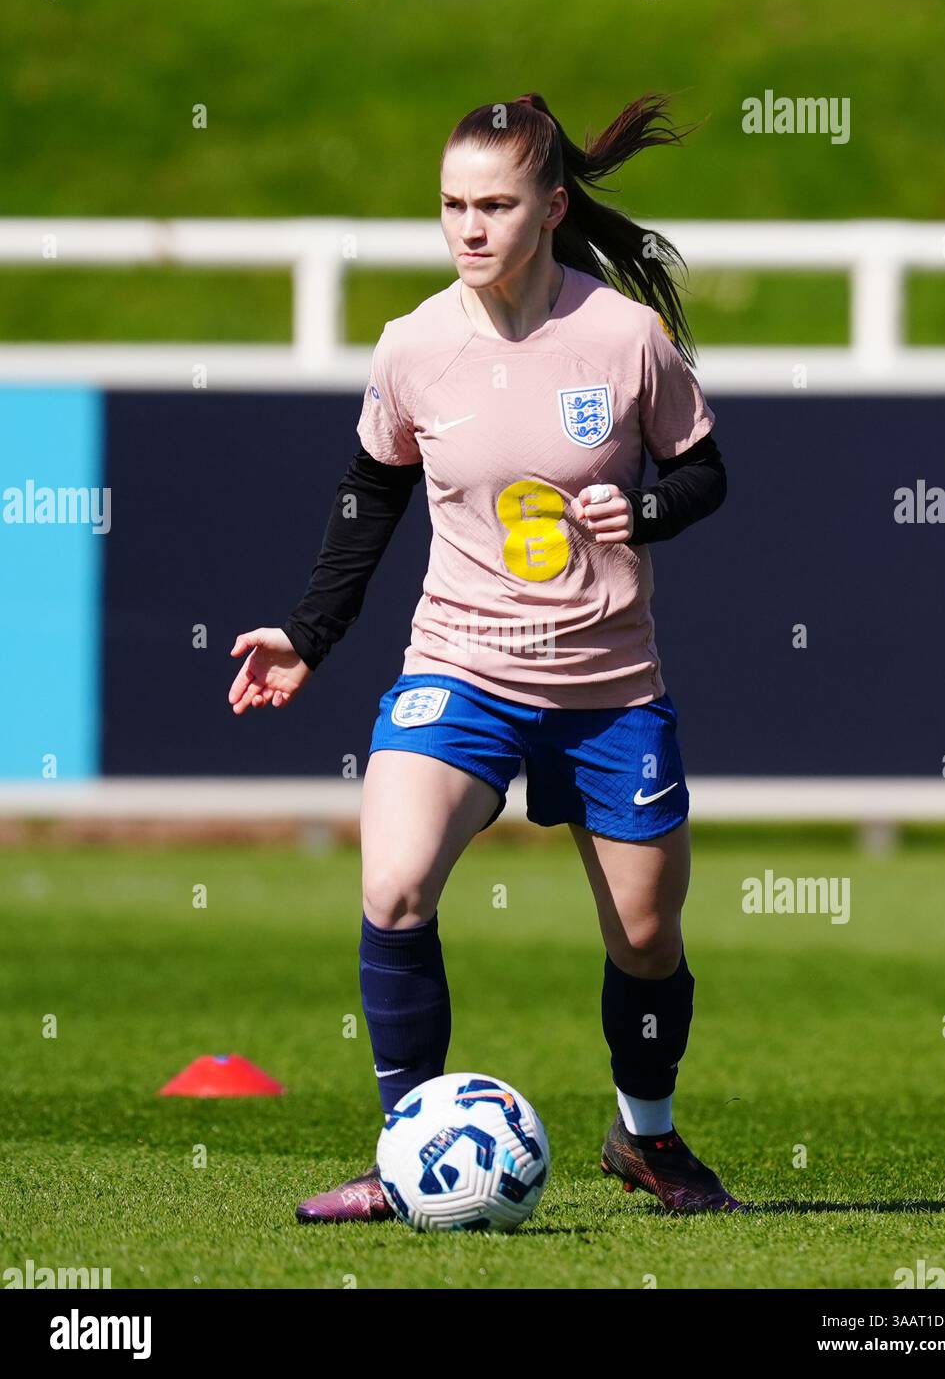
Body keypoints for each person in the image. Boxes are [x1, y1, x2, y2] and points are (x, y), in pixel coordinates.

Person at [228, 92, 746, 1222]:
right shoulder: (414, 345)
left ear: (552, 208)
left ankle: (645, 1139)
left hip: (610, 689)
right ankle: (403, 1149)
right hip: (459, 666)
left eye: (496, 204)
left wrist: (643, 514)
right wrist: (307, 634)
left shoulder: (624, 337)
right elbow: (370, 495)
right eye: (453, 203)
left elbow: (705, 471)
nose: (469, 226)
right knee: (395, 882)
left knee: (649, 940)